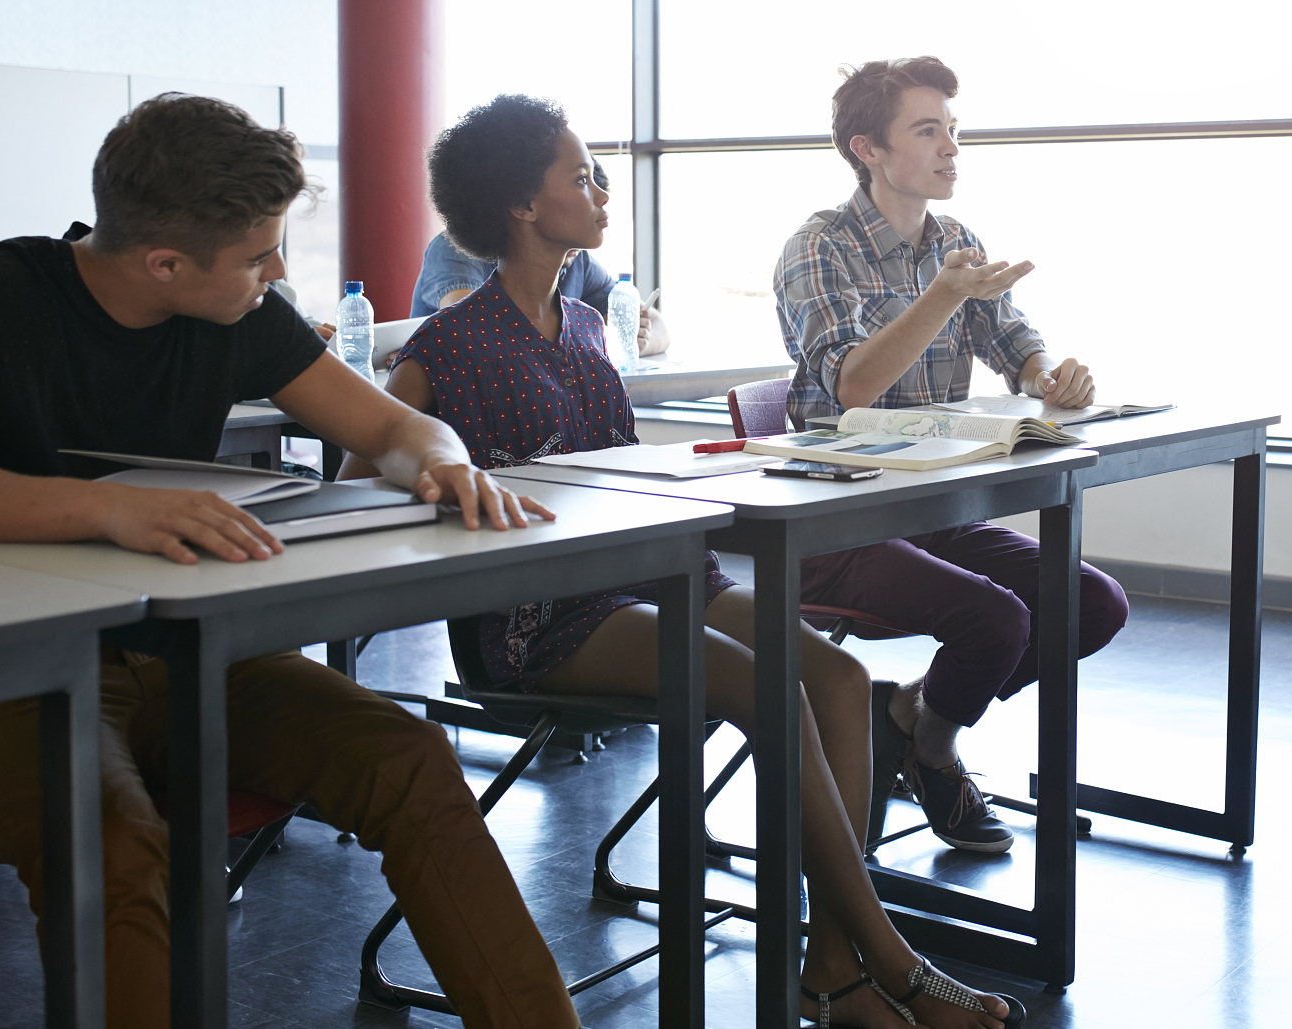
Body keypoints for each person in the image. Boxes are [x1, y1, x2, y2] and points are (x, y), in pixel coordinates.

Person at [343, 92, 1024, 1029]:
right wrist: (442, 486)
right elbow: (358, 476)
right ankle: (892, 960)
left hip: (649, 574)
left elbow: (615, 473)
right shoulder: (447, 344)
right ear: (522, 208)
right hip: (542, 614)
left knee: (834, 675)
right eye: (580, 176)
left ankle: (830, 967)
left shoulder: (587, 330)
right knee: (777, 690)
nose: (601, 189)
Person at [0, 93, 578, 1029]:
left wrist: (442, 461)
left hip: (184, 657)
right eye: (258, 254)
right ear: (164, 263)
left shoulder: (235, 308)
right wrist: (111, 509)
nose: (277, 272)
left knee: (409, 759)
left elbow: (393, 424)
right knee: (113, 840)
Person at [773, 57, 1130, 853]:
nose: (950, 148)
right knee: (995, 619)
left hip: (931, 510)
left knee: (1092, 602)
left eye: (953, 130)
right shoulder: (818, 246)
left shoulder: (956, 241)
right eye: (927, 130)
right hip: (834, 522)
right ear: (867, 148)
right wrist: (943, 295)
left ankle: (906, 714)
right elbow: (853, 385)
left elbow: (1013, 340)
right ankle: (934, 752)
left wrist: (1048, 375)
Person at [408, 163, 670, 355]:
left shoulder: (578, 262)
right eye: (581, 181)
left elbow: (656, 323)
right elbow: (479, 333)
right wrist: (596, 342)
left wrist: (636, 343)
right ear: (525, 205)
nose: (603, 199)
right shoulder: (457, 248)